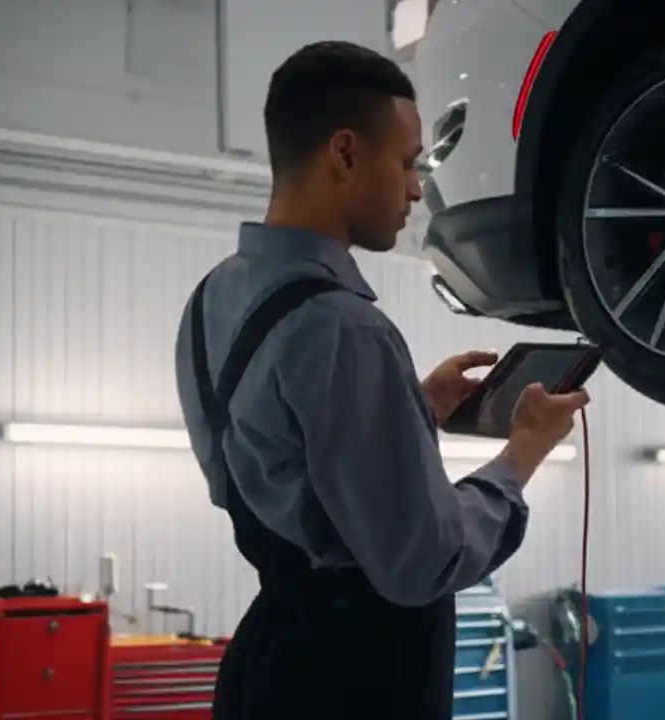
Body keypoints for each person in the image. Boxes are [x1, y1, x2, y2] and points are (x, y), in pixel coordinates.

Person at [173, 41, 590, 719]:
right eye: (406, 163)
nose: (417, 188)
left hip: (267, 669)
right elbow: (421, 562)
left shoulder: (211, 300)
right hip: (356, 682)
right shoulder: (344, 328)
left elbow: (276, 461)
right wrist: (521, 456)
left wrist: (411, 409)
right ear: (344, 153)